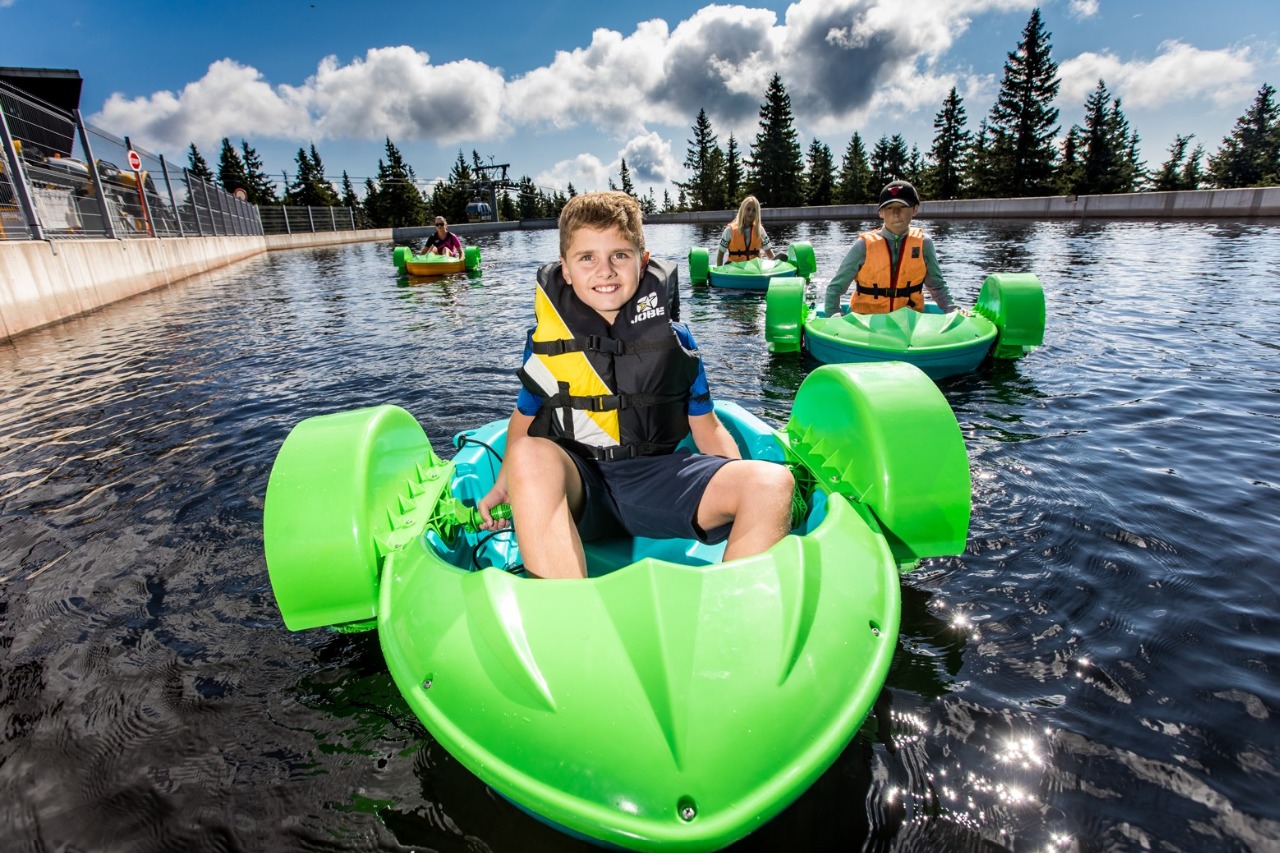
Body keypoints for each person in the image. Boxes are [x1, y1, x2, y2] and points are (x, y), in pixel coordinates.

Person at [476, 191, 795, 580]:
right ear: (565, 269)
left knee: (771, 483)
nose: (605, 270)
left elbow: (706, 426)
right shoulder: (544, 344)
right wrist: (504, 483)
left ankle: (731, 621)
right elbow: (523, 417)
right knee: (529, 454)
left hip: (657, 481)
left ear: (643, 262)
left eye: (619, 255)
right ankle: (569, 623)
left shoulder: (677, 340)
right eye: (587, 257)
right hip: (581, 490)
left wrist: (736, 486)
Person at [823, 180, 959, 317]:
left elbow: (937, 286)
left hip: (908, 321)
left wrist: (952, 310)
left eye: (902, 206)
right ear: (881, 213)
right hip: (866, 323)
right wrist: (833, 315)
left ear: (915, 209)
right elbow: (835, 288)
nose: (896, 213)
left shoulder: (924, 243)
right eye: (889, 208)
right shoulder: (863, 245)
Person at [715, 195, 776, 266]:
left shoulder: (760, 230)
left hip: (755, 270)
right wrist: (719, 270)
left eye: (754, 210)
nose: (751, 212)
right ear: (743, 210)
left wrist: (776, 266)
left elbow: (769, 253)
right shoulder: (729, 230)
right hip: (734, 269)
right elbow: (720, 254)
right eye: (748, 209)